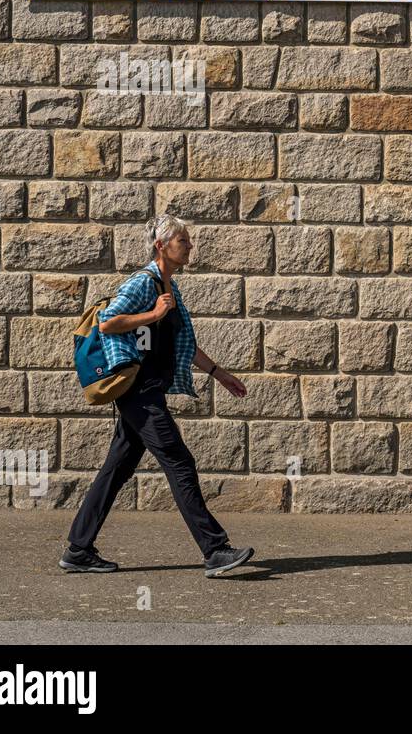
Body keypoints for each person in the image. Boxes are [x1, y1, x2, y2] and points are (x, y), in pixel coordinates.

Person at [60, 214, 256, 577]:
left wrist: (219, 374)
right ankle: (215, 550)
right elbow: (108, 322)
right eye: (183, 240)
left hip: (151, 392)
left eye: (188, 240)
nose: (190, 246)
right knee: (179, 461)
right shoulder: (143, 283)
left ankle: (78, 549)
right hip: (138, 393)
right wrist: (152, 313)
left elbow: (184, 343)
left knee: (115, 470)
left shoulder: (170, 287)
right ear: (161, 246)